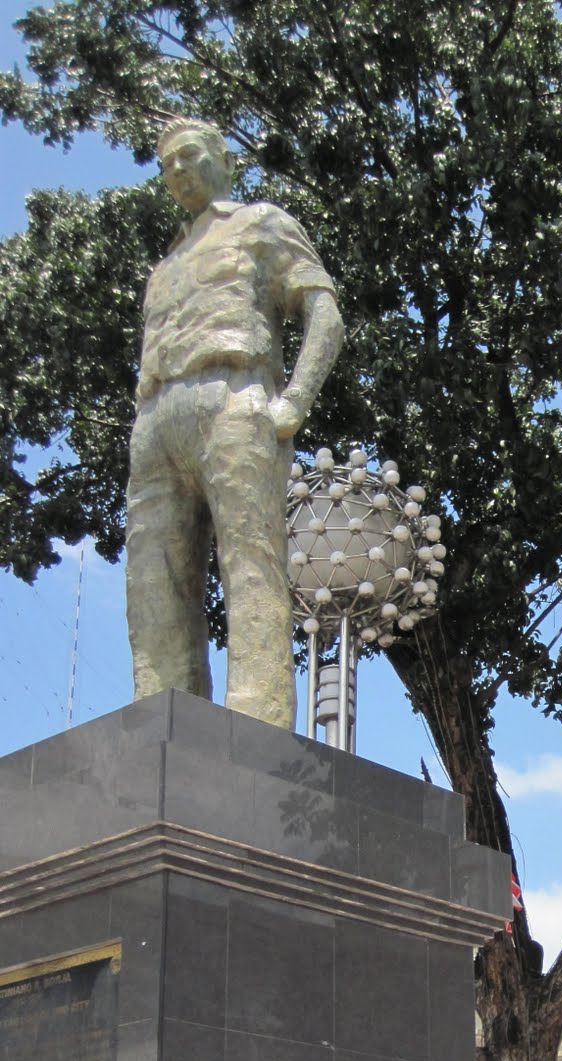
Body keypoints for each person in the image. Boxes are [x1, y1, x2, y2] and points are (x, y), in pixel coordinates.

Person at [125, 118, 344, 729]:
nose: (177, 170)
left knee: (250, 565)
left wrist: (296, 398)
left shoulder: (262, 223)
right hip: (155, 416)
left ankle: (256, 730)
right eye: (166, 162)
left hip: (235, 394)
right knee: (152, 584)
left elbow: (323, 312)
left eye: (189, 155)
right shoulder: (164, 264)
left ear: (223, 158)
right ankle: (161, 728)